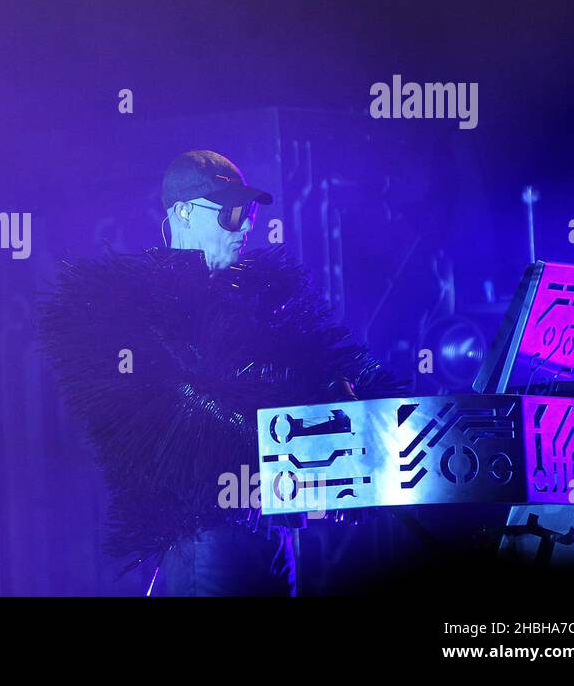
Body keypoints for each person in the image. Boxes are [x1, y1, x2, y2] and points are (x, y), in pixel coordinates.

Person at [39, 149, 402, 595]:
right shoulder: (135, 306)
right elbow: (169, 414)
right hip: (205, 537)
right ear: (185, 213)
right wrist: (278, 437)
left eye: (248, 212)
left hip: (274, 531)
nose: (247, 225)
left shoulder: (263, 298)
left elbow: (334, 365)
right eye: (230, 213)